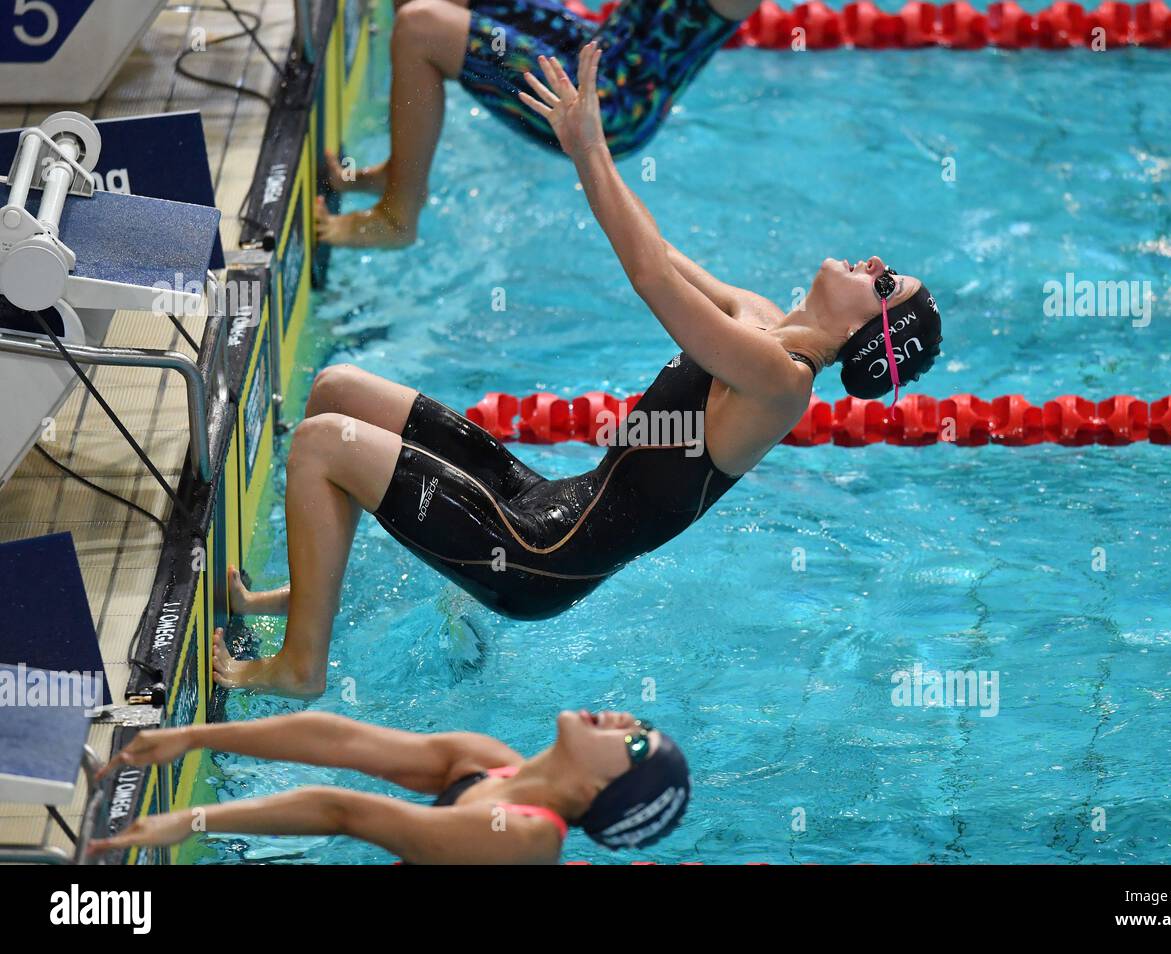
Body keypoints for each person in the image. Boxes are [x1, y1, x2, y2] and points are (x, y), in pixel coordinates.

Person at [220, 45, 942, 698]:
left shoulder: (782, 381)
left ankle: (300, 666)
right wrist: (581, 149)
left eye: (886, 286)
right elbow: (660, 248)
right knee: (338, 390)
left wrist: (593, 148)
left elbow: (652, 278)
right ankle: (303, 594)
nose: (875, 265)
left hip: (538, 559)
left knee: (321, 443)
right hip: (543, 501)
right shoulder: (758, 317)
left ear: (861, 333)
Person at [317, 0, 762, 247]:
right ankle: (402, 175)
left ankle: (398, 216)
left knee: (421, 26)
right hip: (592, 50)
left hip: (604, 106)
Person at [89, 709, 689, 864]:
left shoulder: (525, 841)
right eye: (643, 723)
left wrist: (188, 821)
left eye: (637, 743)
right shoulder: (492, 761)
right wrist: (195, 736)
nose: (625, 721)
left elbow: (346, 812)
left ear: (601, 791)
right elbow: (344, 743)